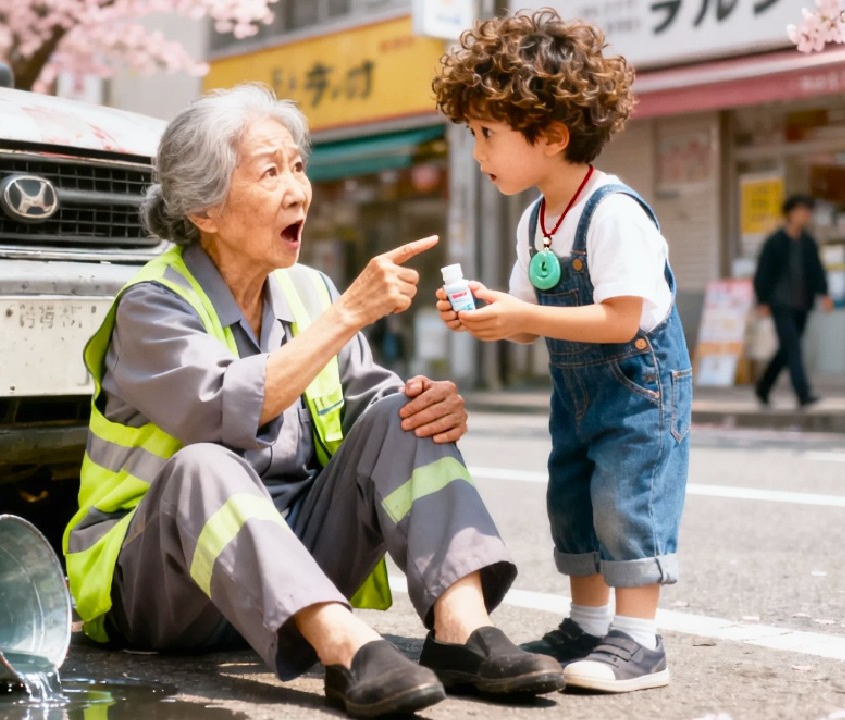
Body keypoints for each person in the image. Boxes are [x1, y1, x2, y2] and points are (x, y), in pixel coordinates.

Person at [62, 83, 563, 719]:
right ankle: (347, 648)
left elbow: (369, 403)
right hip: (166, 588)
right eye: (270, 172)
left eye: (298, 166)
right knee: (204, 464)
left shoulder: (309, 290)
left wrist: (429, 405)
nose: (298, 189)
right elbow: (221, 415)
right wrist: (351, 312)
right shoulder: (152, 305)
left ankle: (461, 632)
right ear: (205, 209)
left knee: (401, 417)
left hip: (291, 560)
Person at [431, 10, 692, 694]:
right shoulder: (536, 217)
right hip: (577, 393)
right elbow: (531, 320)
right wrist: (494, 317)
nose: (478, 152)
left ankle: (639, 641)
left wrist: (524, 314)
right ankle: (585, 624)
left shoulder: (612, 212)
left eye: (488, 134)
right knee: (572, 497)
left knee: (625, 499)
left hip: (639, 389)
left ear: (551, 134)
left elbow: (622, 317)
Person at [753, 195, 833, 408]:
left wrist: (824, 294)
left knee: (787, 349)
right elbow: (763, 273)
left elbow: (817, 271)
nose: (804, 216)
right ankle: (803, 394)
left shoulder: (808, 243)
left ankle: (763, 386)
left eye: (807, 212)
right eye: (801, 211)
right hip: (780, 304)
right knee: (794, 348)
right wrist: (762, 300)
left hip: (802, 304)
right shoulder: (775, 242)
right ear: (790, 213)